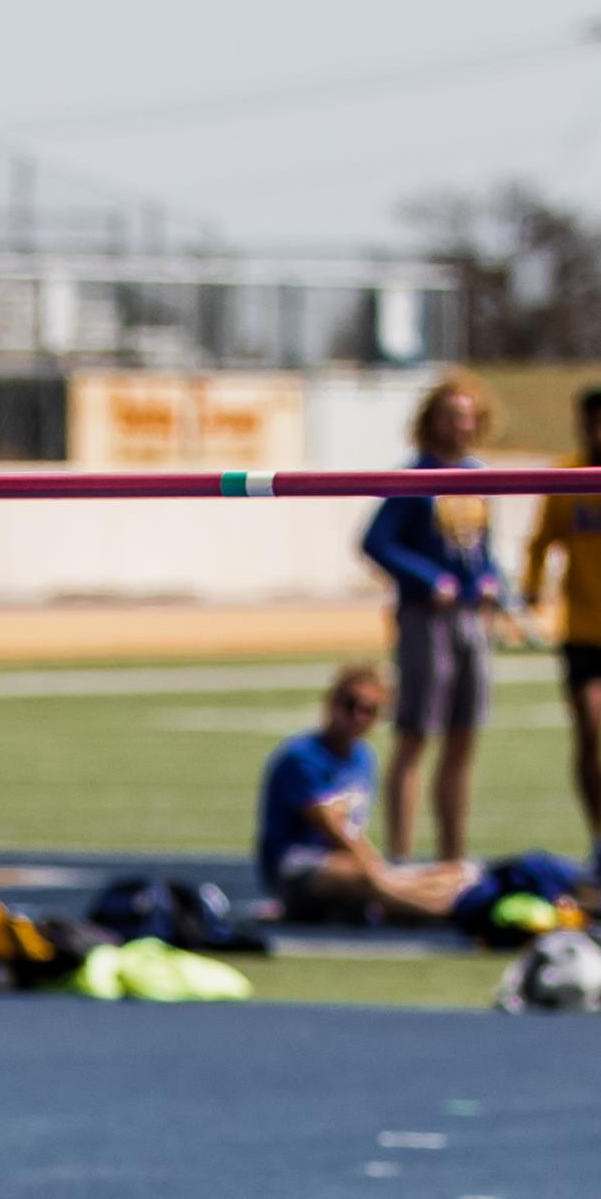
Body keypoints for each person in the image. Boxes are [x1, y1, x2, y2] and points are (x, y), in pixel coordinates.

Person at [360, 373, 502, 862]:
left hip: (471, 621)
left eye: (466, 415)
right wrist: (426, 578)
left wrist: (491, 580)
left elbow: (483, 551)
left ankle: (452, 857)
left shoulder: (478, 475)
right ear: (431, 420)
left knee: (464, 738)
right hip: (425, 620)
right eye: (449, 414)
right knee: (416, 735)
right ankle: (400, 856)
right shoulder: (415, 477)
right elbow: (376, 542)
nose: (459, 425)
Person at [256, 663, 478, 922]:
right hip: (299, 867)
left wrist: (388, 874)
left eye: (370, 711)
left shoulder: (364, 758)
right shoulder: (302, 757)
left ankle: (423, 900)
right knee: (363, 875)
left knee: (458, 871)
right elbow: (335, 828)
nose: (358, 716)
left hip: (352, 861)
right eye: (350, 705)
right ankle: (446, 913)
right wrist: (380, 871)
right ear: (332, 703)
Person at [521, 385, 601, 877]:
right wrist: (531, 589)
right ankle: (598, 839)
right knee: (592, 733)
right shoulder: (567, 477)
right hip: (584, 632)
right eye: (592, 420)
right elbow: (540, 543)